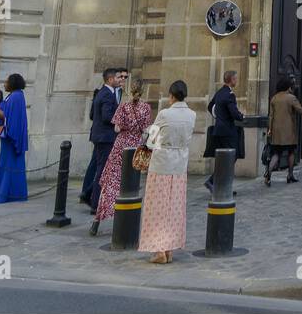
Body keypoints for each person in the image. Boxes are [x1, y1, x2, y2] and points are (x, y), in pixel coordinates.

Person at [140, 80, 196, 264]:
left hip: (162, 163)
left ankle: (159, 250)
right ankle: (170, 248)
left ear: (171, 95)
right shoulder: (192, 115)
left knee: (157, 207)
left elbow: (151, 139)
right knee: (175, 207)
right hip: (180, 164)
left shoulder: (164, 114)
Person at [92, 78, 152, 235]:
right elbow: (146, 130)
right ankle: (126, 221)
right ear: (143, 90)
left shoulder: (123, 106)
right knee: (131, 185)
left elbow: (117, 128)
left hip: (120, 146)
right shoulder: (146, 107)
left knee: (110, 184)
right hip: (136, 146)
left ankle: (97, 220)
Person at [82, 68, 120, 211]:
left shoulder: (105, 93)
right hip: (105, 137)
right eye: (116, 77)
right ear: (110, 79)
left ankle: (89, 194)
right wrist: (119, 121)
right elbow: (106, 116)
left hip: (101, 136)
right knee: (102, 170)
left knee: (102, 169)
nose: (119, 80)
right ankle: (94, 203)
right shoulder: (107, 95)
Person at [0, 74, 29, 203]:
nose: (5, 84)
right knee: (7, 164)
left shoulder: (16, 97)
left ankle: (6, 193)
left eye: (7, 81)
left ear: (13, 83)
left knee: (9, 164)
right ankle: (7, 192)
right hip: (8, 138)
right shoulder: (14, 96)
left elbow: (8, 117)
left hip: (11, 137)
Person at [266, 75, 302, 186]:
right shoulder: (291, 98)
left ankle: (269, 173)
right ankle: (290, 175)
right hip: (288, 131)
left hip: (276, 130)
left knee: (276, 153)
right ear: (288, 87)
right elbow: (299, 109)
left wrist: (270, 129)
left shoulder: (274, 98)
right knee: (291, 152)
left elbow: (270, 116)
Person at [205, 70, 243, 192]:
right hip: (228, 131)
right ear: (231, 79)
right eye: (236, 79)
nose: (236, 81)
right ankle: (212, 181)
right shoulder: (230, 94)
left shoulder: (220, 92)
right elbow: (234, 113)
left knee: (223, 158)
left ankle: (222, 186)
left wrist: (217, 116)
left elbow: (210, 106)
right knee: (231, 157)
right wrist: (242, 116)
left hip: (218, 130)